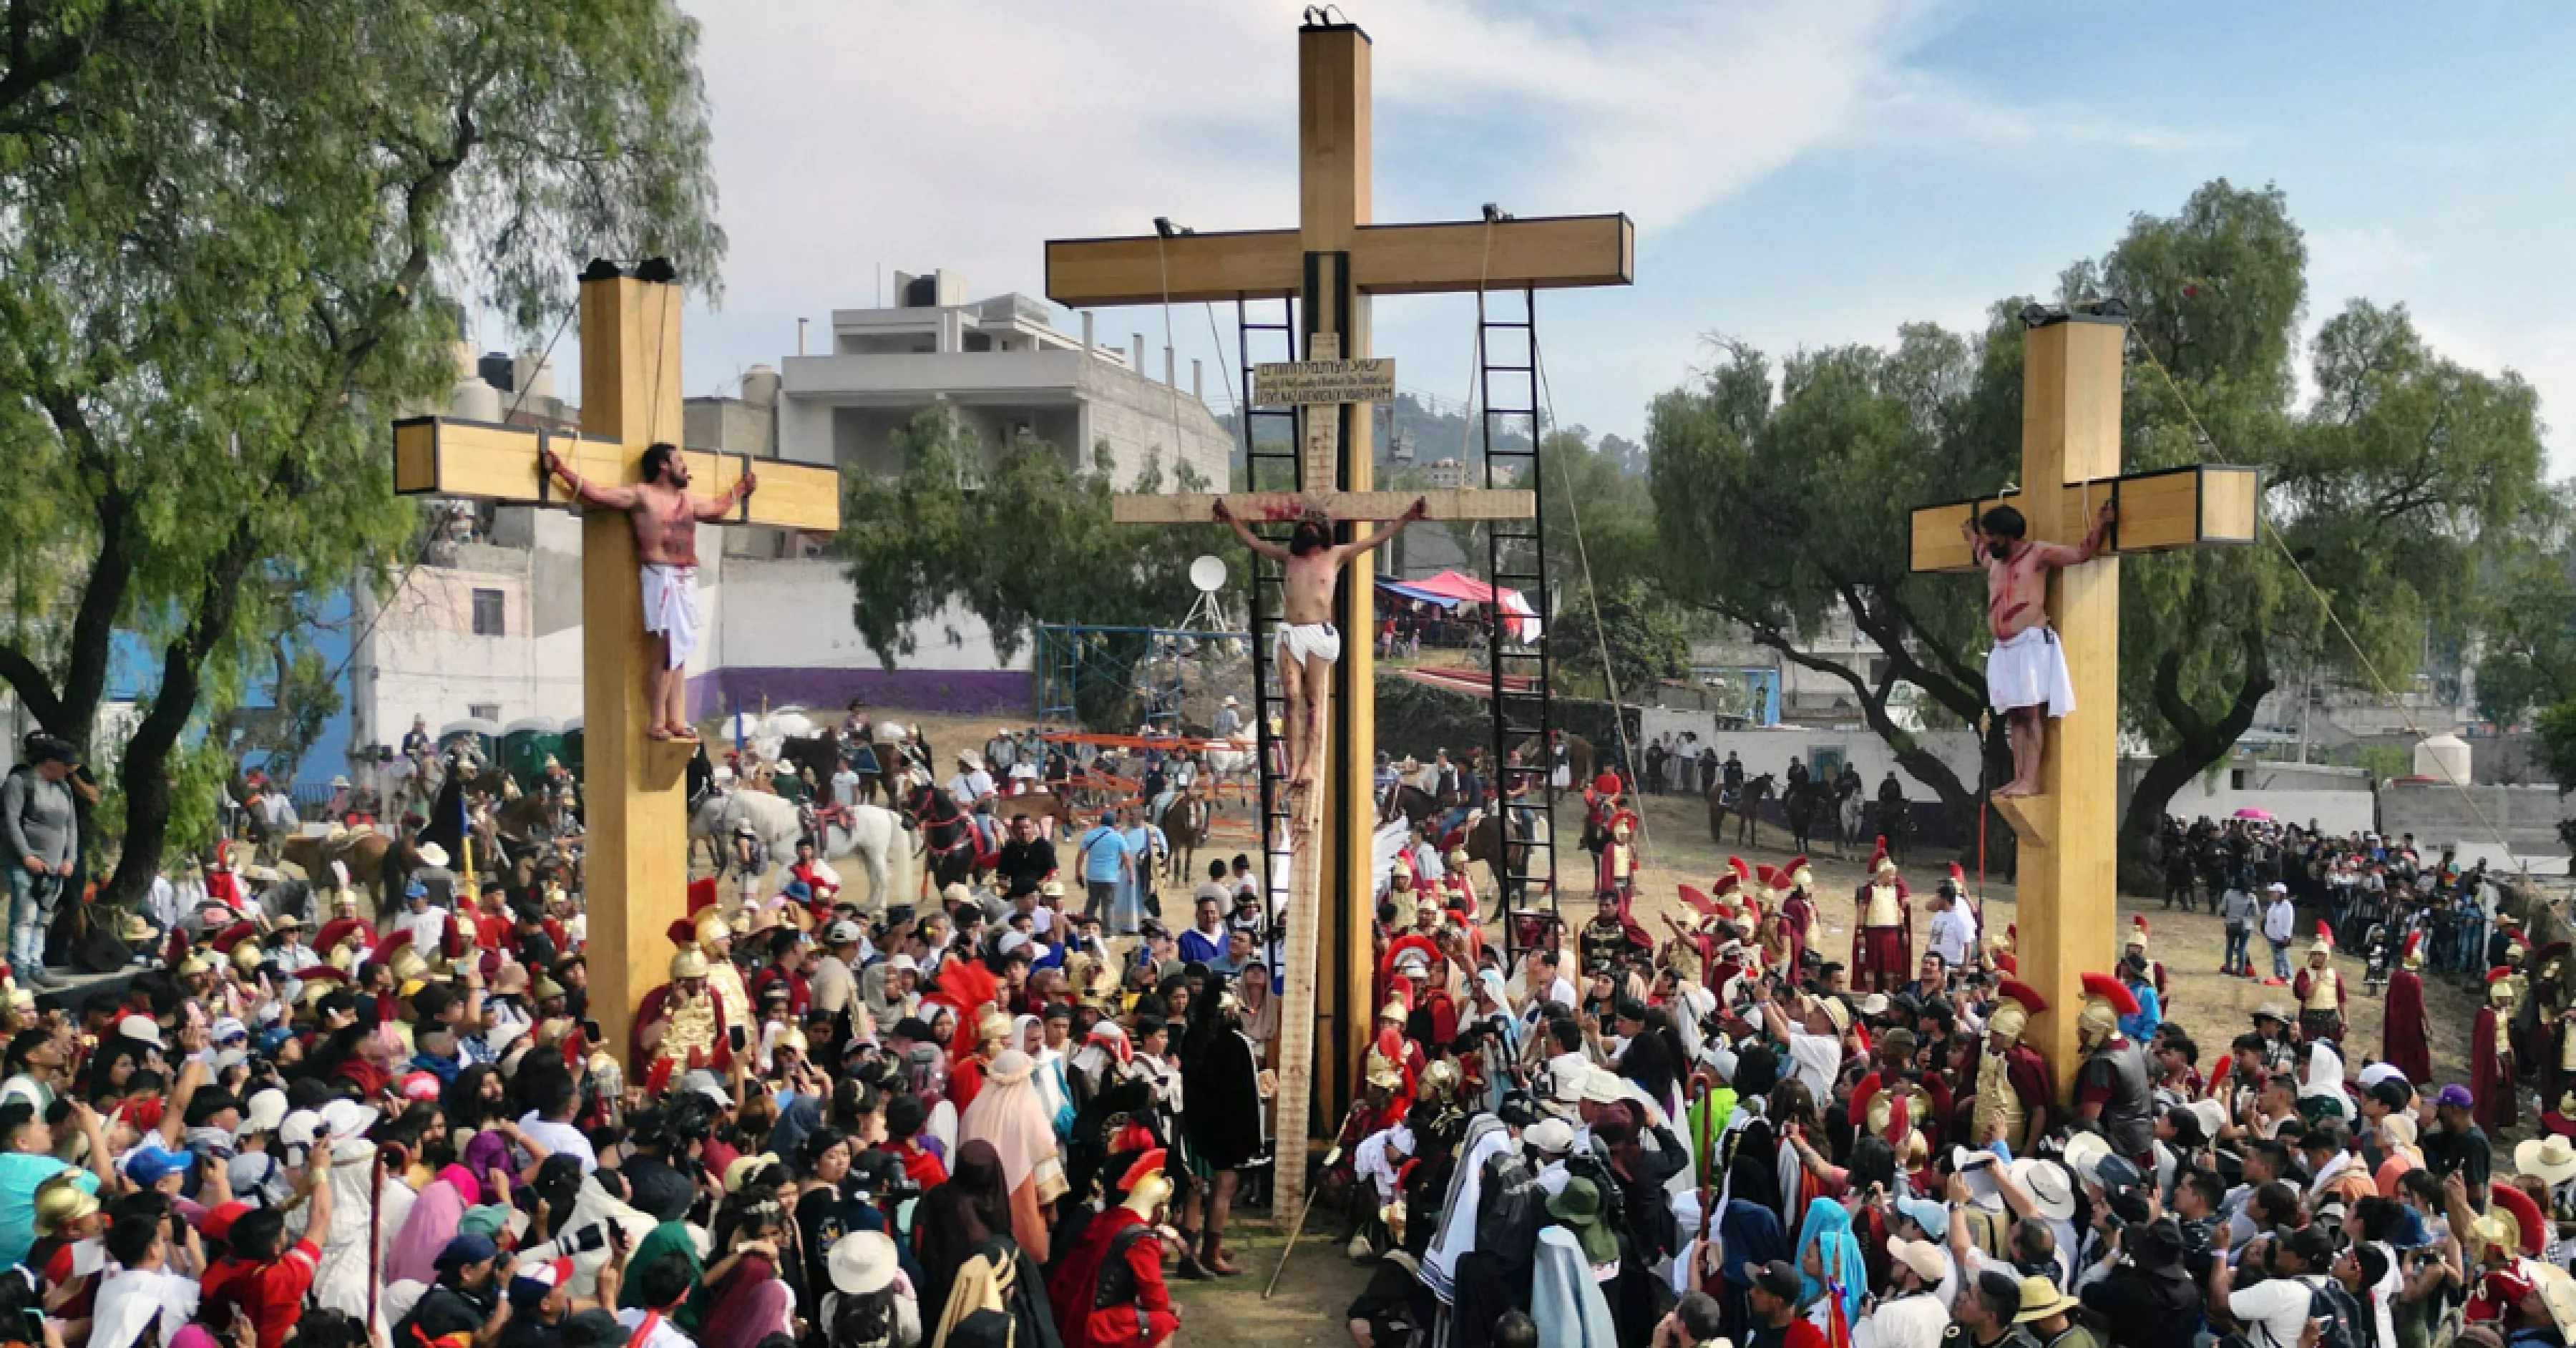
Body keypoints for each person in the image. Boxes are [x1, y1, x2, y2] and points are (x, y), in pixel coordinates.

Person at [537, 440, 757, 740]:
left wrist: (742, 488)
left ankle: (675, 719)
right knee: (667, 650)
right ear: (663, 466)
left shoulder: (688, 500)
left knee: (681, 654)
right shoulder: (643, 495)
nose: (685, 466)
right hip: (661, 576)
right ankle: (656, 721)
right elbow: (597, 494)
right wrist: (560, 469)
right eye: (679, 460)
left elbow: (718, 509)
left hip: (686, 577)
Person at [1212, 497, 1425, 786]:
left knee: (1314, 701)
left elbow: (1376, 539)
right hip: (1290, 632)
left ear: (1324, 531)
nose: (1311, 530)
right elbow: (1255, 543)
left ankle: (1308, 764)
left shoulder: (1335, 555)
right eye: (1306, 526)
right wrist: (1231, 519)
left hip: (1317, 633)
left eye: (1316, 526)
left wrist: (1408, 517)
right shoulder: (1289, 558)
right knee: (1290, 699)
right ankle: (1291, 765)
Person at [1966, 497, 2114, 797]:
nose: (1990, 541)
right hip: (2004, 648)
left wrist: (2101, 525)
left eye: (1994, 535)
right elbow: (1979, 548)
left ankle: (2031, 779)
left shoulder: (2037, 553)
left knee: (2031, 713)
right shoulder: (1993, 560)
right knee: (2013, 715)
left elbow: (2081, 554)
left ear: (2010, 535)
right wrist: (1969, 533)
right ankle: (2020, 776)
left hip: (2030, 644)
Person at [3, 736, 79, 983]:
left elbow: (71, 828)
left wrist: (70, 858)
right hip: (26, 863)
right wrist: (26, 856)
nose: (68, 771)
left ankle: (37, 967)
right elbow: (10, 822)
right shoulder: (20, 782)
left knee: (42, 919)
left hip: (56, 866)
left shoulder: (64, 789)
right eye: (65, 765)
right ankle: (20, 970)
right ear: (49, 762)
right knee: (24, 916)